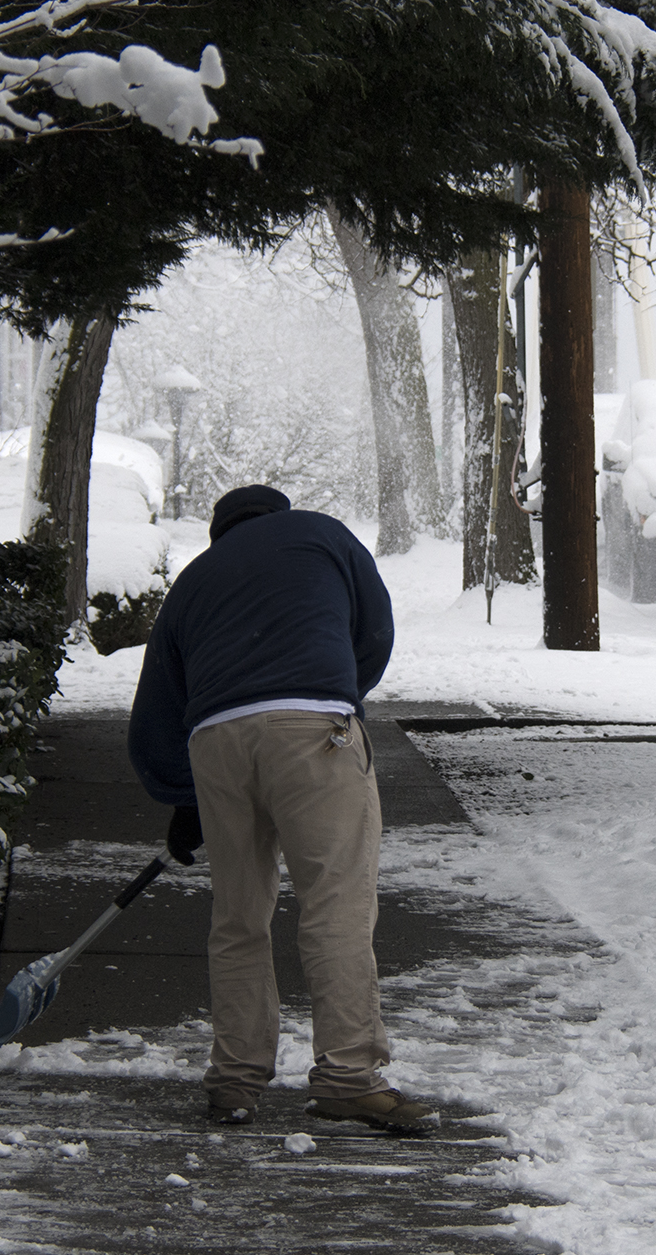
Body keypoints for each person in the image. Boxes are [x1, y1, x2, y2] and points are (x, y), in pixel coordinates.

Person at [126, 484, 434, 1133]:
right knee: (335, 904)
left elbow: (155, 710)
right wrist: (337, 688)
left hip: (217, 740)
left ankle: (235, 1081)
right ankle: (348, 1076)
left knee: (238, 917)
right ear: (277, 516)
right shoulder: (321, 535)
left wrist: (183, 796)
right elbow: (374, 626)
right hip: (313, 729)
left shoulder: (194, 579)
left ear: (220, 531)